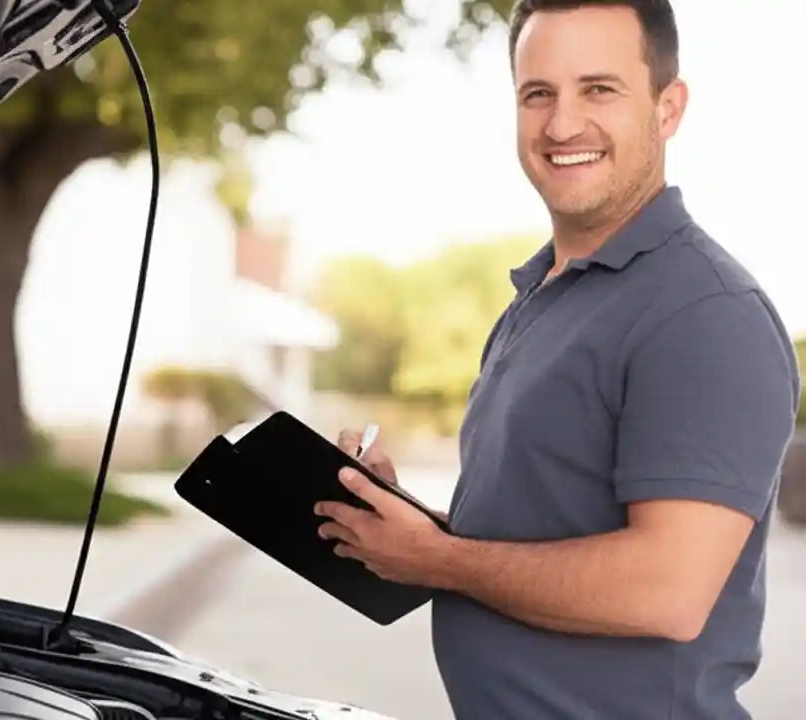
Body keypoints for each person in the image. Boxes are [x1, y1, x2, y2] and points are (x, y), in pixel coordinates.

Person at [313, 1, 801, 718]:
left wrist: (439, 559)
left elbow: (666, 591)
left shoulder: (704, 313)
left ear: (669, 108)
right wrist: (410, 526)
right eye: (538, 94)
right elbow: (541, 531)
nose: (562, 124)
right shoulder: (540, 298)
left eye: (598, 89)